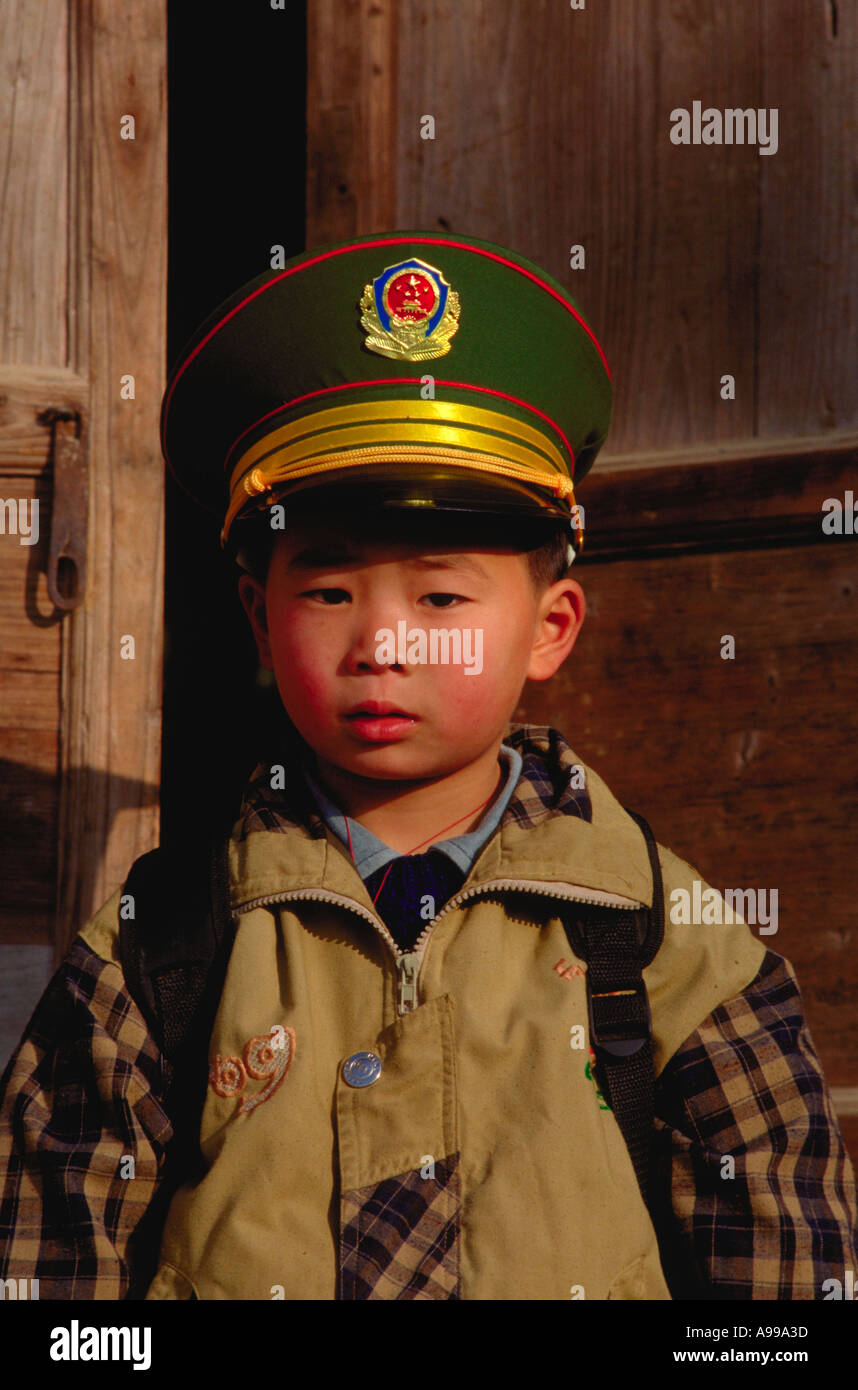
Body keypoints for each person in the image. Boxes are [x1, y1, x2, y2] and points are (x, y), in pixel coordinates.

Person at [1, 231, 855, 1300]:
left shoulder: (662, 942)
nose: (384, 642)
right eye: (329, 592)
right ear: (259, 623)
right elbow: (49, 1276)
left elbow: (785, 1272)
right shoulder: (161, 952)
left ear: (551, 628)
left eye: (441, 598)